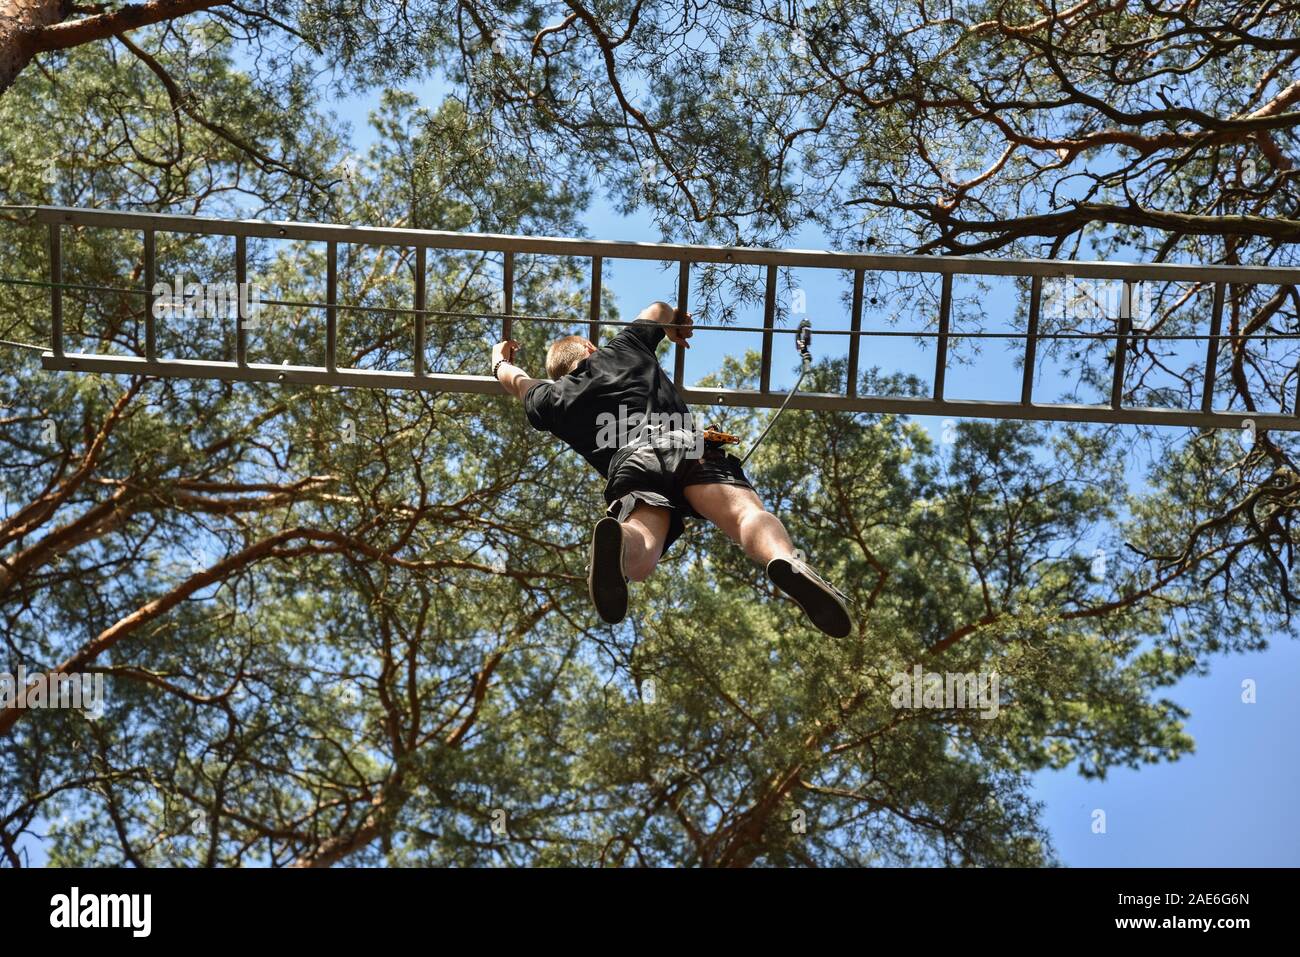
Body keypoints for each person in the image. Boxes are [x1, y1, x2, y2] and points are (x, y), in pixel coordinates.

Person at [491, 300, 852, 638]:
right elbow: (657, 309)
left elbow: (516, 381)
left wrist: (498, 362)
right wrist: (673, 324)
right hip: (685, 444)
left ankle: (621, 546)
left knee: (640, 559)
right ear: (588, 347)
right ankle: (784, 558)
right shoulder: (622, 348)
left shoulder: (549, 399)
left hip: (631, 463)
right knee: (745, 515)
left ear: (556, 375)